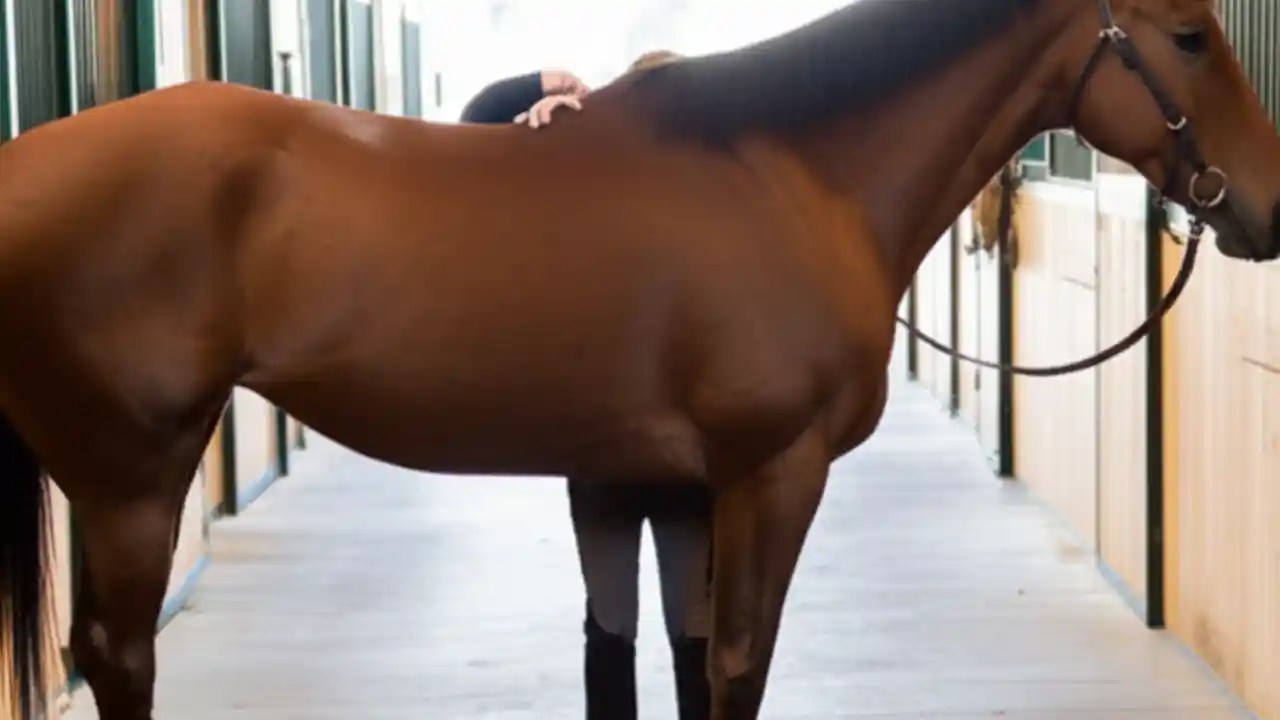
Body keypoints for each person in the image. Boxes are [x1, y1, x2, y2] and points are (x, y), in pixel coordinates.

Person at [458, 51, 712, 720]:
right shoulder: (584, 182)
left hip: (682, 461)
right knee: (613, 627)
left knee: (690, 630)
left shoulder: (712, 206)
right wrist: (542, 96)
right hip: (605, 454)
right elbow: (473, 125)